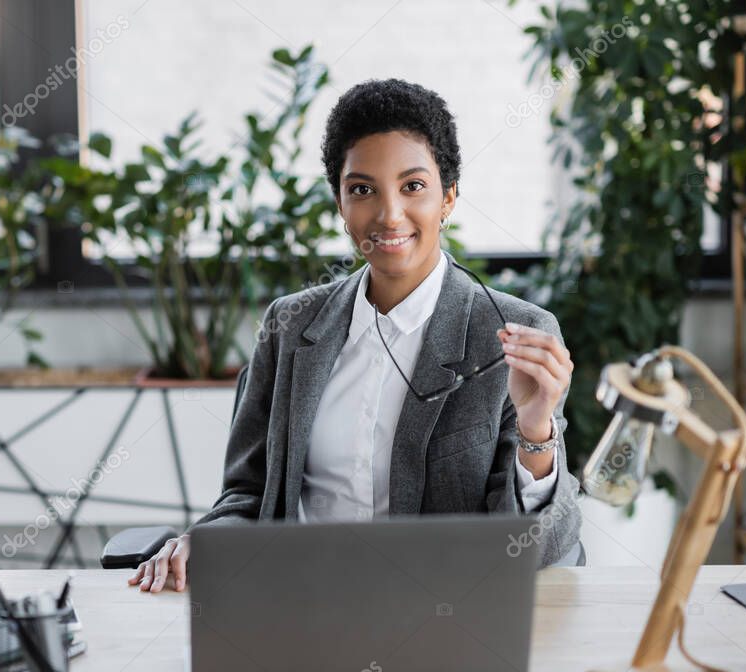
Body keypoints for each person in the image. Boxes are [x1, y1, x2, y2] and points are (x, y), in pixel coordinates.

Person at [130, 78, 581, 594]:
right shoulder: (291, 327)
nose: (389, 215)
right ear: (341, 204)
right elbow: (248, 496)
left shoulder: (511, 334)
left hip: (441, 618)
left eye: (413, 186)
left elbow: (542, 551)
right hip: (300, 606)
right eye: (362, 190)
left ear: (449, 197)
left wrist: (537, 428)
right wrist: (203, 541)